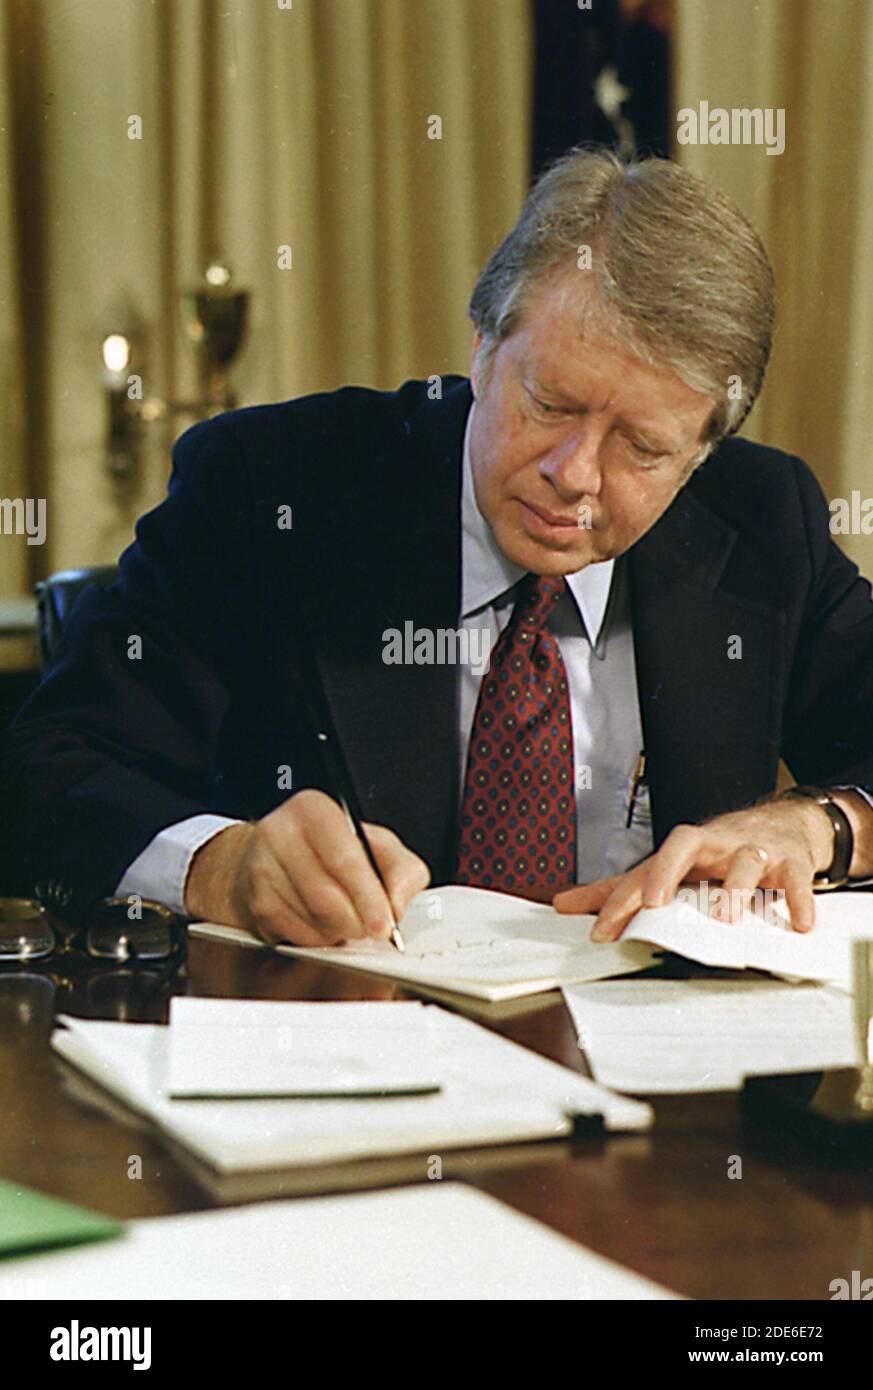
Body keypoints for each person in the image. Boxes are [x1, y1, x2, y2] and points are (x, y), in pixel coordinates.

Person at [6, 148, 873, 949]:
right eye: (550, 403)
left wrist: (822, 826)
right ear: (483, 346)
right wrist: (221, 868)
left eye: (641, 449)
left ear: (700, 453)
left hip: (667, 1080)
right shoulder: (271, 489)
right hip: (341, 1061)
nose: (573, 475)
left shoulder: (760, 522)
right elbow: (46, 777)